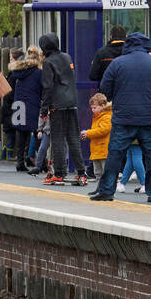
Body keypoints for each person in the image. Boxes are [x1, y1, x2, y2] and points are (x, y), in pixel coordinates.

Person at [92, 32, 151, 202]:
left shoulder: (117, 64)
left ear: (128, 45)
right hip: (149, 118)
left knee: (114, 155)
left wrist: (119, 98)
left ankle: (107, 191)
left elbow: (105, 88)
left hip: (123, 118)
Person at [39, 32, 89, 186]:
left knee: (58, 139)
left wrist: (44, 109)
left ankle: (59, 173)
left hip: (57, 104)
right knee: (73, 138)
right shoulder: (67, 57)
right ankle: (81, 173)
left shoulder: (48, 62)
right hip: (72, 102)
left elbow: (48, 87)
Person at [6, 46, 43, 172]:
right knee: (37, 132)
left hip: (19, 103)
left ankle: (20, 161)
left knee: (21, 133)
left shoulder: (18, 71)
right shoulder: (38, 72)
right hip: (34, 103)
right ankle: (41, 162)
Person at [81, 93, 113, 176]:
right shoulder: (97, 116)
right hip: (96, 150)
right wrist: (88, 134)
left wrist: (88, 133)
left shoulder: (107, 117)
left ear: (102, 106)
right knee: (97, 173)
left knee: (105, 173)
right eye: (92, 108)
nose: (92, 110)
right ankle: (100, 188)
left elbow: (102, 130)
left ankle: (106, 188)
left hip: (104, 150)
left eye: (94, 108)